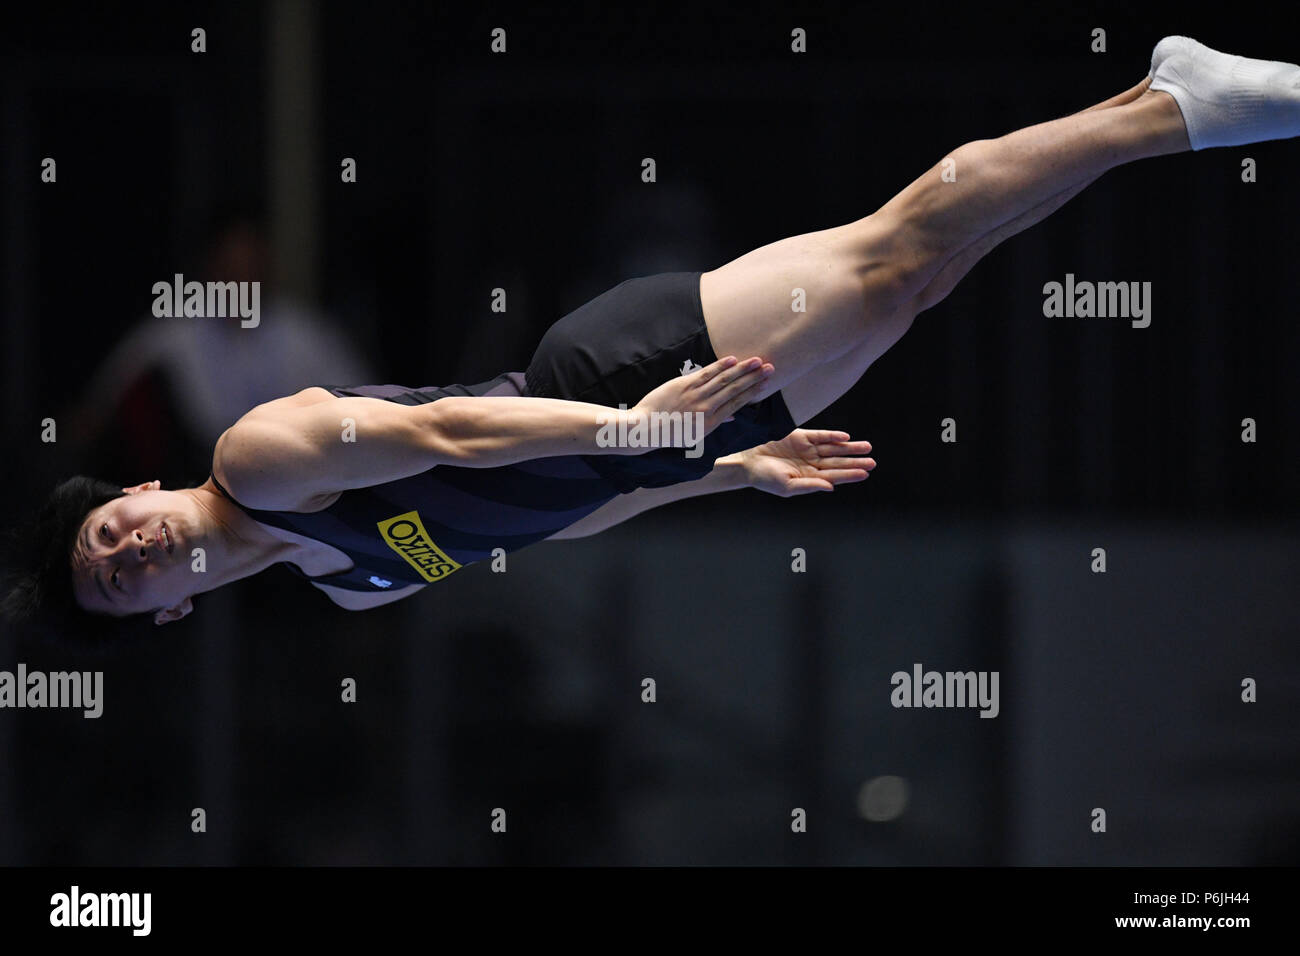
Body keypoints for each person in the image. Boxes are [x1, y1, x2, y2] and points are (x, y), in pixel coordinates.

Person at [5, 36, 1298, 637]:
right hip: (647, 438)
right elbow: (548, 520)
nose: (127, 556)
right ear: (163, 615)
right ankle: (1162, 111)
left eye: (107, 535)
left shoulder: (257, 460)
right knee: (920, 285)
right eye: (119, 581)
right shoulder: (347, 581)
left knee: (892, 250)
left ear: (137, 492)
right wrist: (710, 473)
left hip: (604, 375)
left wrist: (634, 419)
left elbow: (449, 430)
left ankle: (1166, 105)